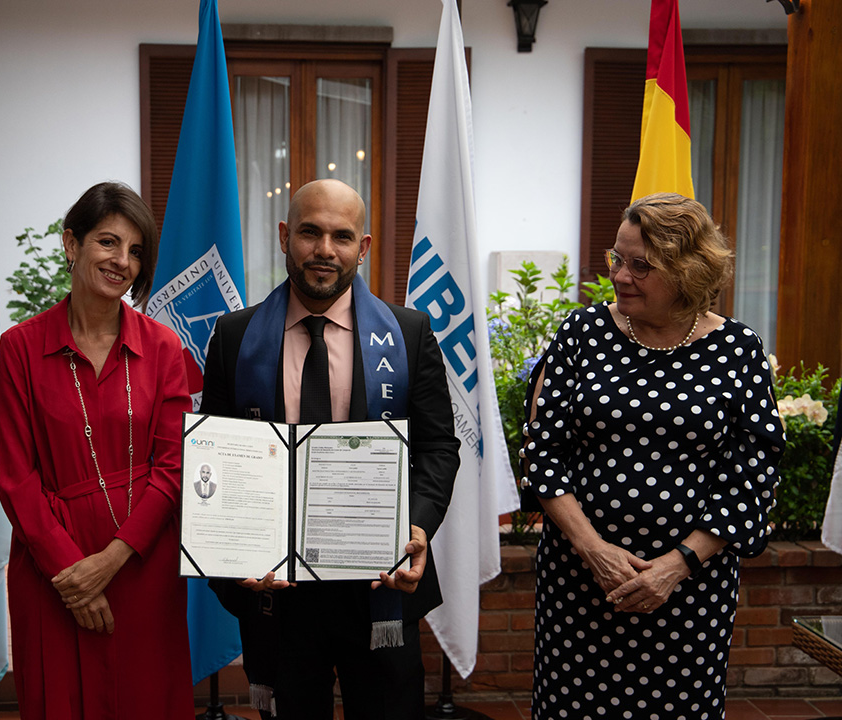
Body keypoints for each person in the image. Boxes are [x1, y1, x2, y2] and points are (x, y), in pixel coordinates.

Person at [201, 179, 460, 720]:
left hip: (379, 582)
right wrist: (233, 548)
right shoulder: (233, 336)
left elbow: (438, 446)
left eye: (342, 237)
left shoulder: (409, 335)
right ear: (283, 236)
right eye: (309, 232)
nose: (324, 250)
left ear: (363, 248)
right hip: (281, 590)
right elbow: (219, 455)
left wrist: (415, 528)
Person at [523, 193, 785, 720]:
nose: (621, 275)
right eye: (617, 258)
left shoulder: (739, 350)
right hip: (580, 583)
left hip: (690, 593)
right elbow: (541, 451)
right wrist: (593, 550)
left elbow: (752, 477)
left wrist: (676, 565)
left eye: (641, 265)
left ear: (689, 269)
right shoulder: (580, 335)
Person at [0, 182, 192, 719]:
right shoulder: (19, 349)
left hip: (142, 559)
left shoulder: (164, 347)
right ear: (71, 244)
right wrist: (73, 575)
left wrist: (111, 560)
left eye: (134, 251)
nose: (122, 261)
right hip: (53, 569)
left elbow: (173, 467)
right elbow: (15, 477)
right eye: (108, 242)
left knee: (147, 699)